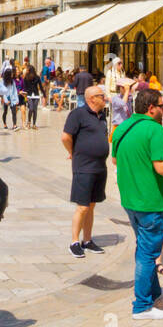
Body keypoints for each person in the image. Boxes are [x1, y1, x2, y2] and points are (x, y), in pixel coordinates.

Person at [111, 87, 163, 320]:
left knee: (144, 246)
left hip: (130, 199)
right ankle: (142, 305)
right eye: (162, 106)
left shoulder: (122, 127)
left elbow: (114, 159)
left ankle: (153, 292)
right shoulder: (155, 130)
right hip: (151, 201)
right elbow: (161, 166)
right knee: (148, 251)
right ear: (151, 108)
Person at [62, 84, 109, 259]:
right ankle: (74, 241)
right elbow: (65, 137)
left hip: (99, 166)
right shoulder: (78, 114)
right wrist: (73, 153)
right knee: (82, 206)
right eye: (101, 96)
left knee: (91, 205)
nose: (104, 99)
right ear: (91, 99)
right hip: (84, 166)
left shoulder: (101, 115)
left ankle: (87, 240)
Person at [23, 64, 42, 129]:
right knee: (31, 108)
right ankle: (29, 122)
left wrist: (44, 94)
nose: (27, 71)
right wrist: (24, 93)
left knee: (35, 110)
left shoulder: (37, 77)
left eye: (28, 70)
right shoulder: (26, 77)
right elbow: (24, 87)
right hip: (29, 95)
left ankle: (34, 124)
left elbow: (40, 86)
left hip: (36, 95)